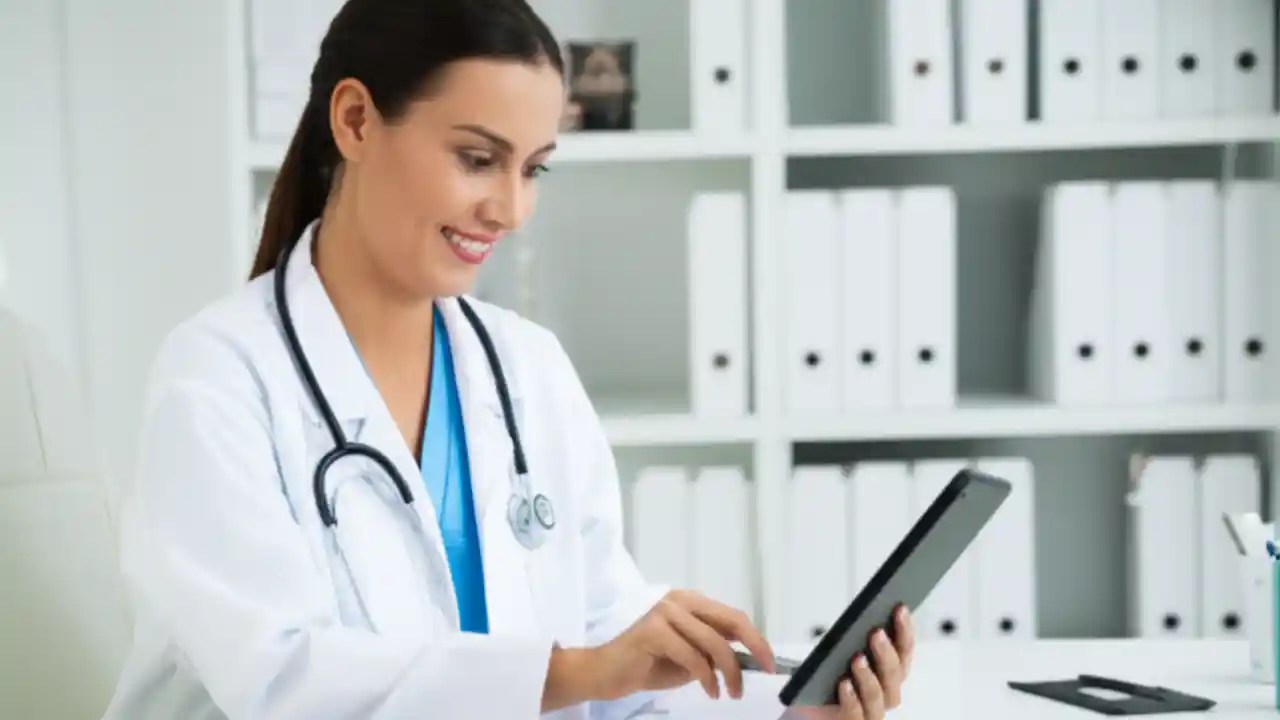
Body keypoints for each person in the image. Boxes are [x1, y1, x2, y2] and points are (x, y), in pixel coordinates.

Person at [102, 1, 916, 718]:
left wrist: (792, 719)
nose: (512, 209)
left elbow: (611, 657)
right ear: (353, 121)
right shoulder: (218, 378)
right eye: (476, 158)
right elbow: (281, 683)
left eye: (533, 169)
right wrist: (574, 673)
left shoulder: (526, 370)